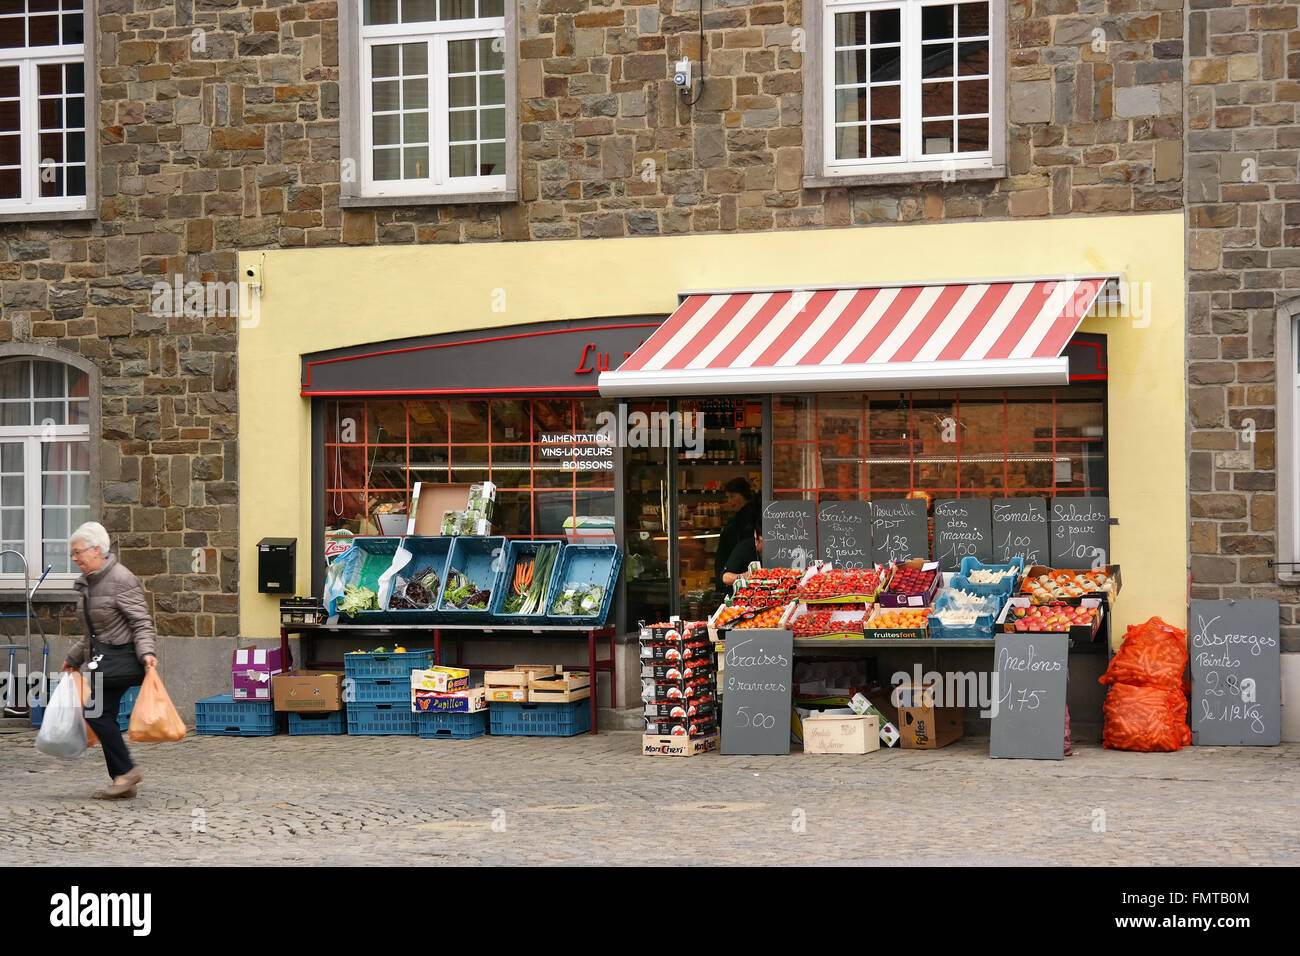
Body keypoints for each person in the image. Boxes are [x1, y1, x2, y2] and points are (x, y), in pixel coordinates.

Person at [61, 522, 158, 800]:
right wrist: (73, 658)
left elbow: (141, 622)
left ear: (96, 550)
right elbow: (93, 632)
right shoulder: (90, 583)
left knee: (96, 713)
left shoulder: (121, 579)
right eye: (73, 553)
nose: (75, 558)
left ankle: (125, 772)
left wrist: (147, 653)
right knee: (101, 714)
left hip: (120, 660)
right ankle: (122, 779)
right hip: (103, 660)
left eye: (78, 552)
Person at [714, 477, 759, 591]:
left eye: (732, 496)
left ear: (744, 495)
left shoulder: (747, 518)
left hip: (738, 570)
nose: (729, 501)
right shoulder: (741, 516)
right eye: (728, 497)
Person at [721, 519, 763, 587]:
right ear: (755, 536)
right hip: (747, 594)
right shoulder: (744, 548)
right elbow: (725, 578)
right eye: (763, 541)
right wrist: (743, 576)